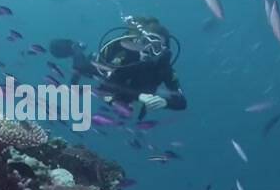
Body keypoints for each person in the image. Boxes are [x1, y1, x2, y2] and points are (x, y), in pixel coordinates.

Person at [50, 16, 187, 118]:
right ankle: (75, 48)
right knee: (81, 66)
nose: (149, 49)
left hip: (127, 92)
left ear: (164, 49)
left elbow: (181, 102)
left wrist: (165, 102)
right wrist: (140, 97)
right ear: (137, 40)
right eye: (146, 42)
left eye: (157, 47)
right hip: (104, 71)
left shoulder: (163, 67)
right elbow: (108, 85)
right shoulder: (127, 57)